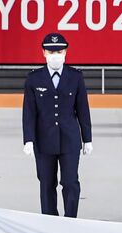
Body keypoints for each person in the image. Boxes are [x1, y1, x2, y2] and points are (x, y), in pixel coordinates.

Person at [22, 32, 93, 218]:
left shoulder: (76, 77)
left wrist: (87, 139)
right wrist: (28, 139)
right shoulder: (34, 79)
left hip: (70, 140)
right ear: (44, 53)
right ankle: (50, 221)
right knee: (46, 183)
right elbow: (29, 112)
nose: (55, 55)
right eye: (51, 51)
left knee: (70, 182)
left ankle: (70, 220)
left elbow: (83, 110)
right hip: (44, 141)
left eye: (59, 51)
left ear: (65, 52)